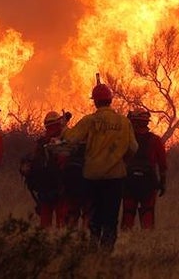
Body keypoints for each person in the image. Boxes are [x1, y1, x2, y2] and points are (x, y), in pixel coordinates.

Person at [62, 82, 138, 250]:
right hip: (116, 176)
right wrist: (121, 160)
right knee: (111, 214)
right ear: (110, 100)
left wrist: (63, 126)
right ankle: (107, 249)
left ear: (95, 102)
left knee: (94, 213)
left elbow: (70, 139)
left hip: (93, 176)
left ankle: (93, 245)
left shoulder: (89, 120)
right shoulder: (124, 122)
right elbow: (133, 148)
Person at [21, 110, 77, 228]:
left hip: (45, 190)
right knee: (61, 224)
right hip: (59, 189)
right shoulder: (64, 142)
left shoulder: (41, 143)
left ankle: (45, 239)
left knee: (45, 224)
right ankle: (58, 239)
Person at [122, 109, 167, 230]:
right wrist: (163, 182)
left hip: (129, 181)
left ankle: (125, 238)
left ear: (134, 122)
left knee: (128, 212)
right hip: (149, 182)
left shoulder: (126, 140)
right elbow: (162, 164)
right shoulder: (155, 140)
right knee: (148, 212)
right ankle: (146, 239)